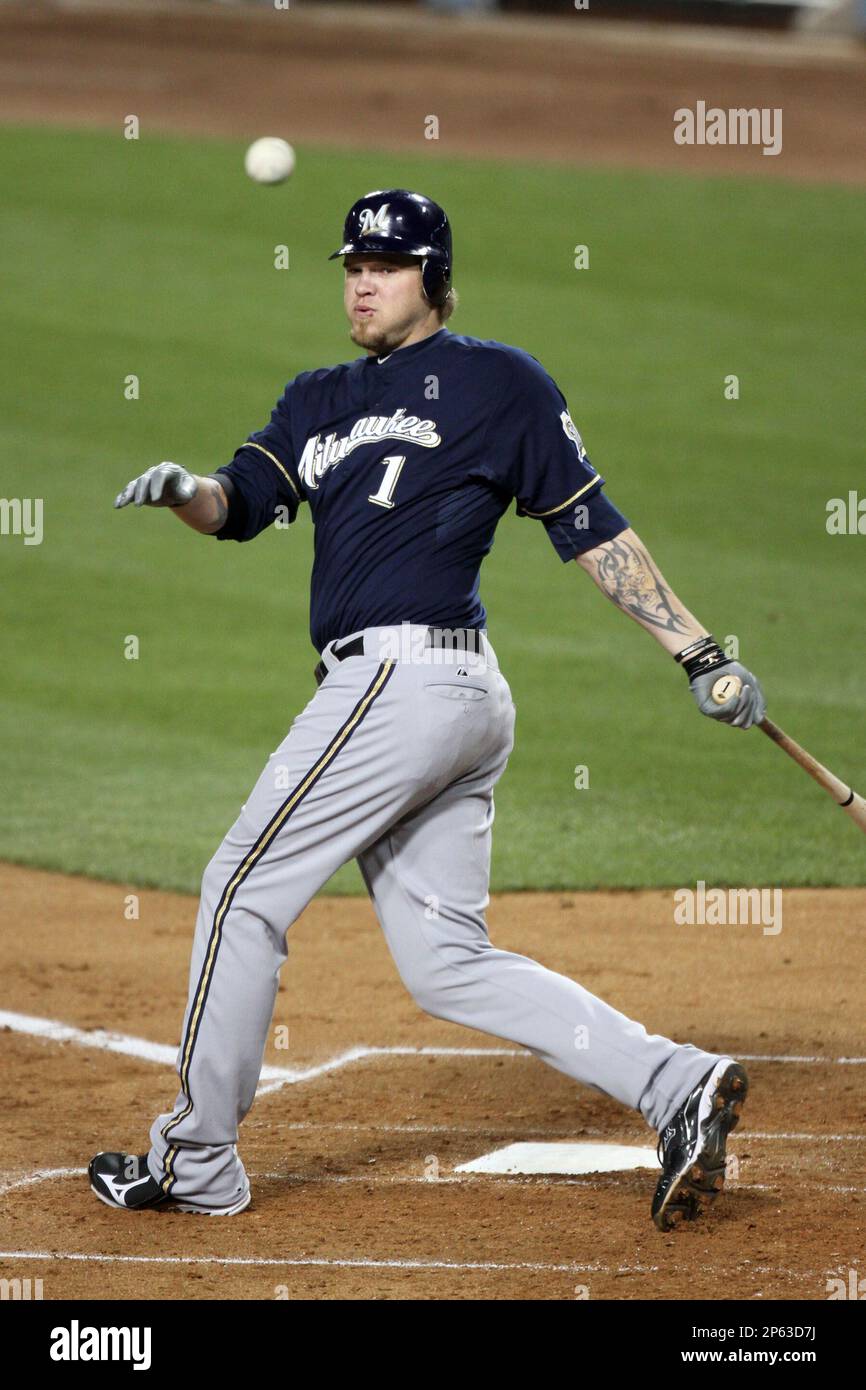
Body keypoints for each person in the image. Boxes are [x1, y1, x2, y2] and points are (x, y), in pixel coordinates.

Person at [90, 189, 761, 1231]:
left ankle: (194, 1158)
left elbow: (589, 528)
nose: (361, 279)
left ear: (432, 280)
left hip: (405, 687)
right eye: (351, 261)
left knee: (239, 888)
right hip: (438, 699)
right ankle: (676, 1083)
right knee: (447, 962)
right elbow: (241, 503)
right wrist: (189, 490)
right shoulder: (316, 397)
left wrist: (698, 652)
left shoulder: (499, 383)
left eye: (385, 264)